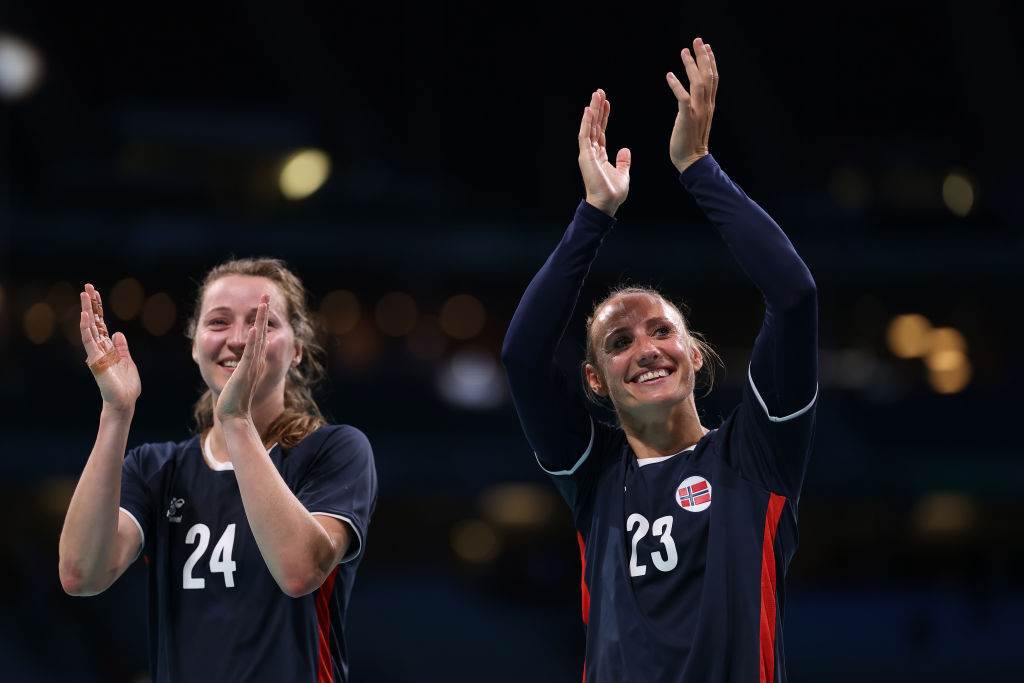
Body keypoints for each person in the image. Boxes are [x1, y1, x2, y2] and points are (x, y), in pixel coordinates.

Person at [501, 38, 817, 682]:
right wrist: (594, 213)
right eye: (618, 342)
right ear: (595, 380)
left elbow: (794, 294)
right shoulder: (593, 475)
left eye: (661, 332)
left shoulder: (756, 455)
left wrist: (698, 165)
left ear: (694, 354)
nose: (645, 350)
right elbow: (522, 355)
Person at [58, 258, 378, 683]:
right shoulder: (156, 468)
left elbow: (300, 572)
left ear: (297, 350)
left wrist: (236, 420)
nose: (240, 339)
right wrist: (116, 412)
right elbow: (81, 575)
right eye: (219, 322)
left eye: (262, 323)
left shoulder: (334, 451)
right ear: (194, 345)